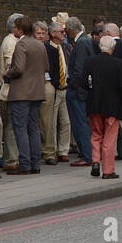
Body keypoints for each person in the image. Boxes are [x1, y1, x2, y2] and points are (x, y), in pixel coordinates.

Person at [80, 35, 122, 179]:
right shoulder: (119, 64)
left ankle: (95, 160)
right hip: (113, 106)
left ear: (99, 47)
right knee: (110, 138)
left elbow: (83, 83)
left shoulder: (89, 62)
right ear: (113, 47)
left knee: (96, 134)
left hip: (94, 104)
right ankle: (108, 170)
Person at [3, 16, 46, 175]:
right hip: (37, 92)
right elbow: (46, 67)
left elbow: (19, 68)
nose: (13, 29)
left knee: (20, 129)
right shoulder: (40, 44)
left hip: (21, 93)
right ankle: (35, 164)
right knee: (34, 128)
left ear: (20, 30)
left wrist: (7, 73)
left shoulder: (21, 44)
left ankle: (25, 165)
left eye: (15, 27)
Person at [65, 16, 96, 167]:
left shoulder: (82, 43)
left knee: (80, 123)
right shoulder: (85, 40)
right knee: (83, 122)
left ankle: (87, 155)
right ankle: (88, 154)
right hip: (83, 90)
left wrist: (71, 84)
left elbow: (79, 70)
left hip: (78, 91)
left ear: (71, 30)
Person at [0, 13, 23, 170]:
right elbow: (11, 67)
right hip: (9, 91)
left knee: (14, 125)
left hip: (13, 90)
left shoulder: (14, 41)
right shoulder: (10, 43)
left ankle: (14, 157)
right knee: (12, 126)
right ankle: (11, 160)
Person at [43, 21, 71, 165]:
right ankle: (52, 150)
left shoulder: (65, 47)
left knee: (66, 122)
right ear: (53, 33)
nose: (64, 34)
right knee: (52, 122)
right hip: (54, 88)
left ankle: (63, 151)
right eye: (61, 32)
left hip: (65, 88)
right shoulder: (47, 48)